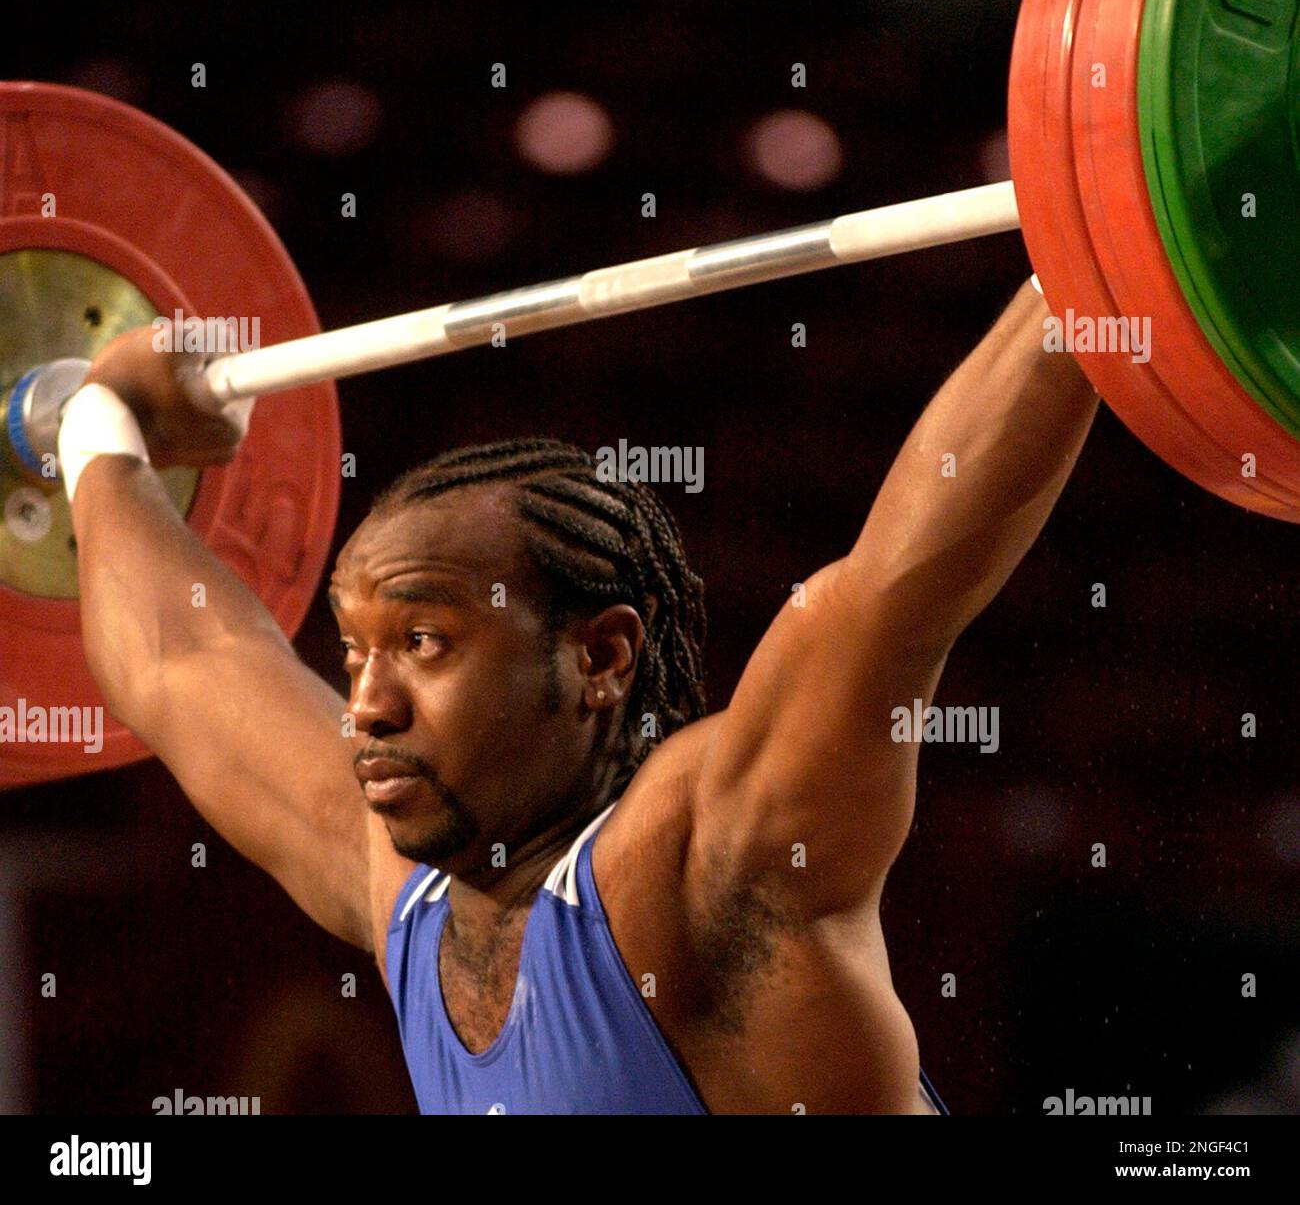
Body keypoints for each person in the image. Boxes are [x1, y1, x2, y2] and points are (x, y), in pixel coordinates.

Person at [61, 275, 1098, 1113]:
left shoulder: (707, 859)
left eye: (423, 641)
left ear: (599, 658)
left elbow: (889, 599)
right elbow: (179, 662)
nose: (366, 703)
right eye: (354, 649)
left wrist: (1093, 258)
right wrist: (95, 431)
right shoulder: (401, 889)